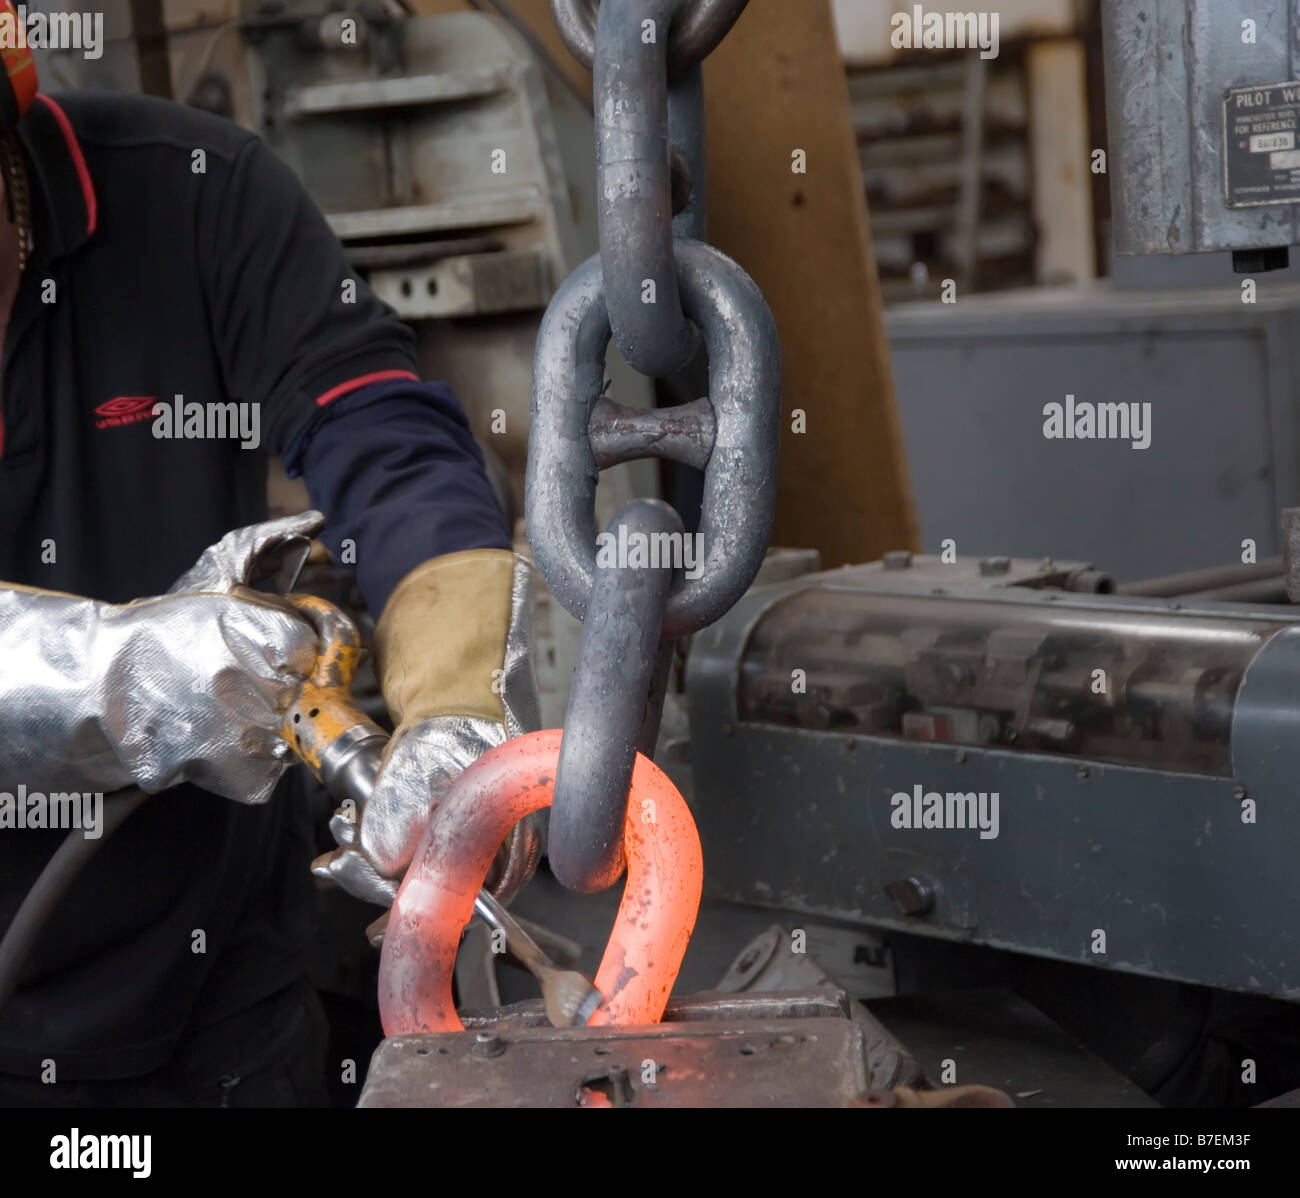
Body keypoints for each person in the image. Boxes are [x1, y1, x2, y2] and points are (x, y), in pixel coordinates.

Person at [0, 9, 539, 1106]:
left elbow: (382, 432)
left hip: (221, 996)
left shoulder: (192, 192)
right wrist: (125, 678)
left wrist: (454, 705)